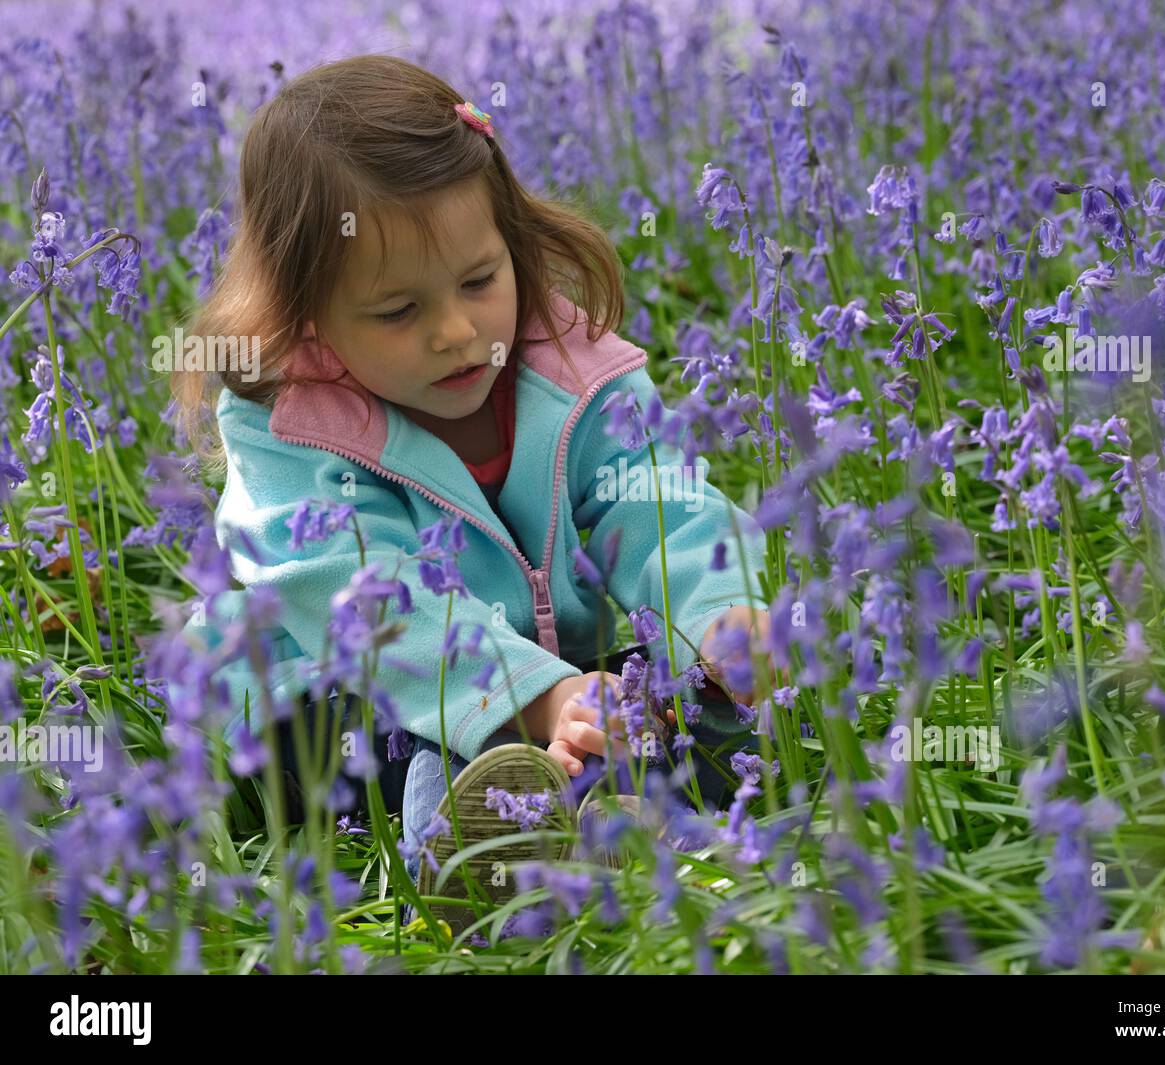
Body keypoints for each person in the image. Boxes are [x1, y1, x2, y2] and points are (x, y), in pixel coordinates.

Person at [168, 55, 772, 923]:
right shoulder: (287, 425)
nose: (456, 332)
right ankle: (483, 851)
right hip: (342, 686)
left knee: (681, 694)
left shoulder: (575, 373)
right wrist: (534, 696)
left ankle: (610, 807)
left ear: (513, 244)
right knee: (430, 731)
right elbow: (374, 614)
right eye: (397, 312)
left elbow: (661, 505)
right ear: (308, 312)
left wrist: (720, 612)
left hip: (557, 666)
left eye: (479, 281)